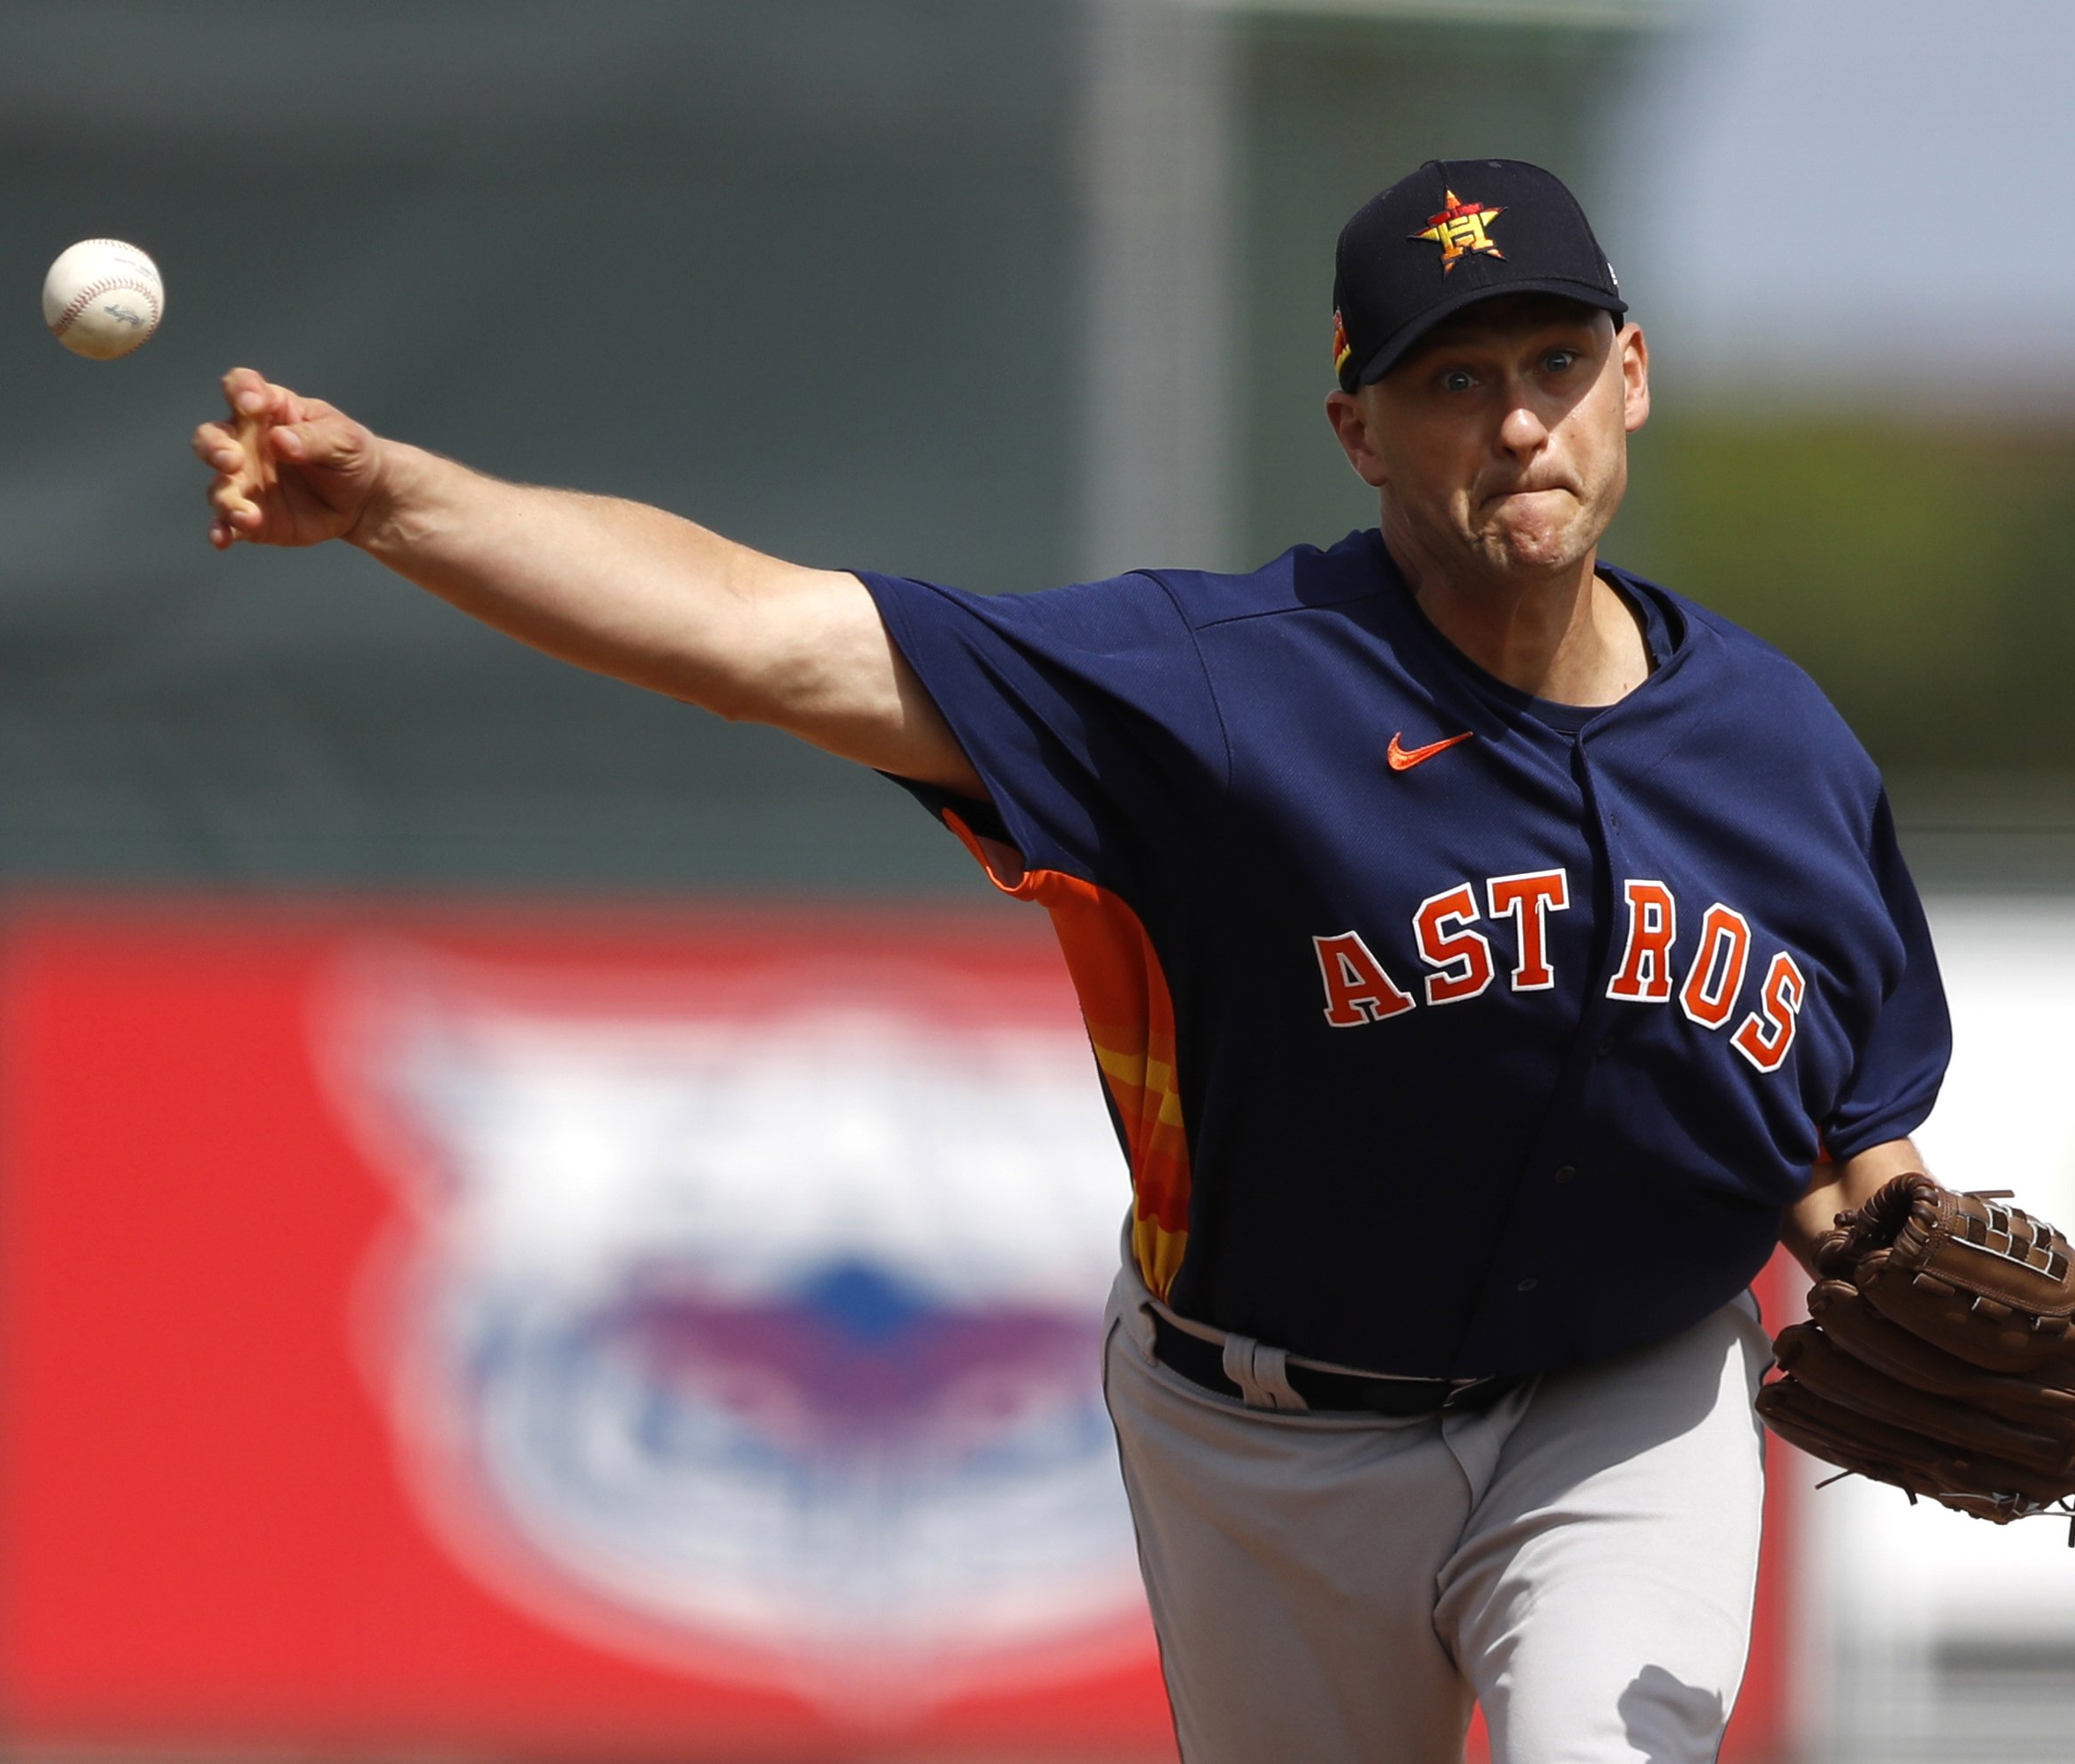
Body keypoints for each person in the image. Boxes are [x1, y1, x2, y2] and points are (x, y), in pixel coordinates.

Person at [191, 157, 1947, 1764]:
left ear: (1630, 375)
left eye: (1553, 363)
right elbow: (750, 631)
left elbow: (1835, 1121)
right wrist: (398, 503)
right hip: (1271, 1436)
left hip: (1622, 1397)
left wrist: (1899, 1240)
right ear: (1358, 427)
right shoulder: (1213, 689)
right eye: (1452, 382)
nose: (1515, 426)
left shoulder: (1783, 751)